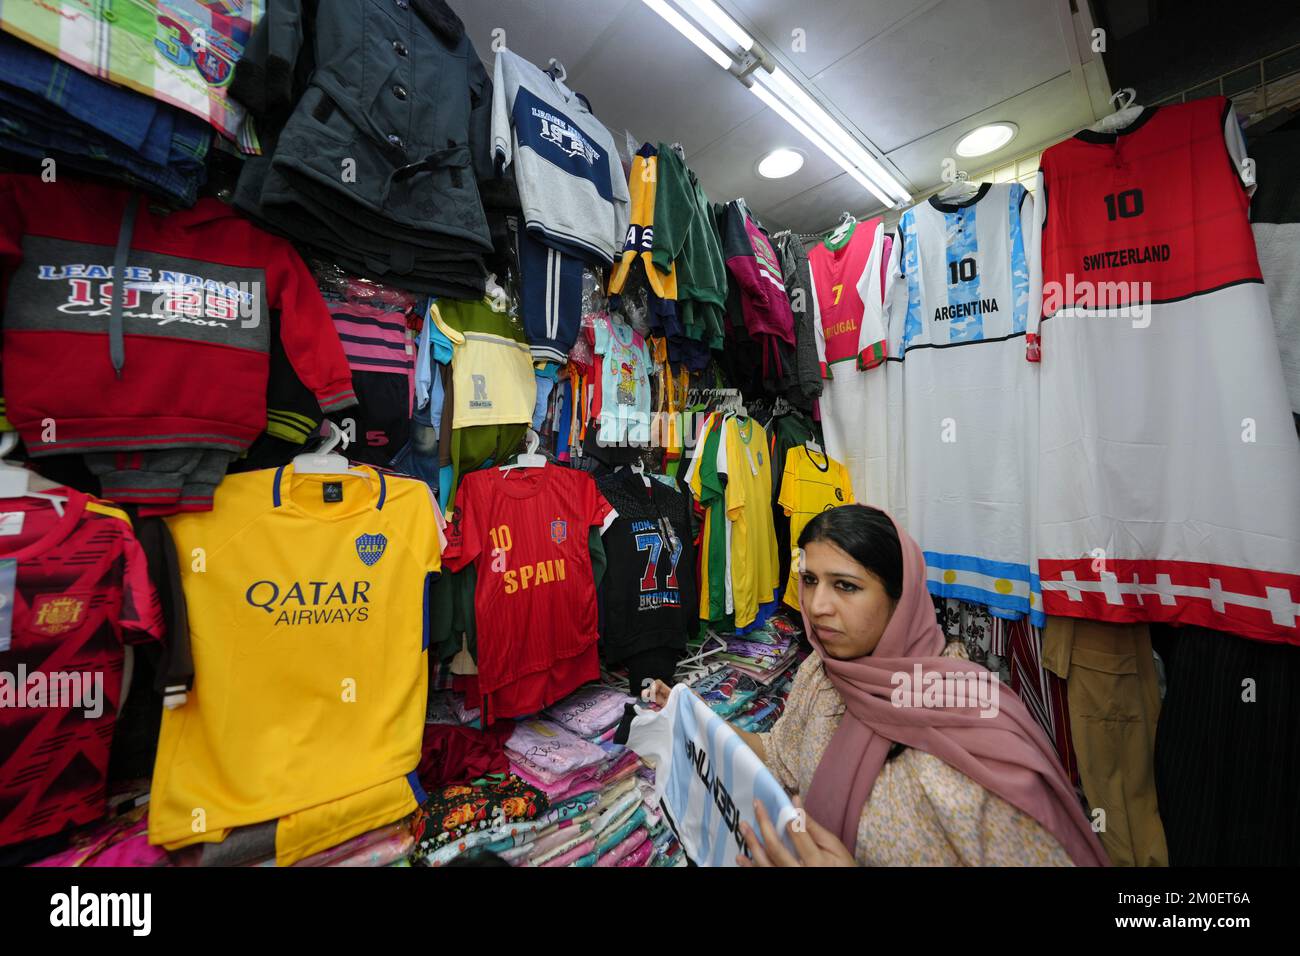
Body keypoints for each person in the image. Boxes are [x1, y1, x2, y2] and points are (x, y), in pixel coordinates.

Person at [651, 504, 1109, 867]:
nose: (817, 606)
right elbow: (782, 756)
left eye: (846, 586)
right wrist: (693, 717)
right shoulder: (823, 676)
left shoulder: (972, 732)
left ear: (901, 597)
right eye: (809, 581)